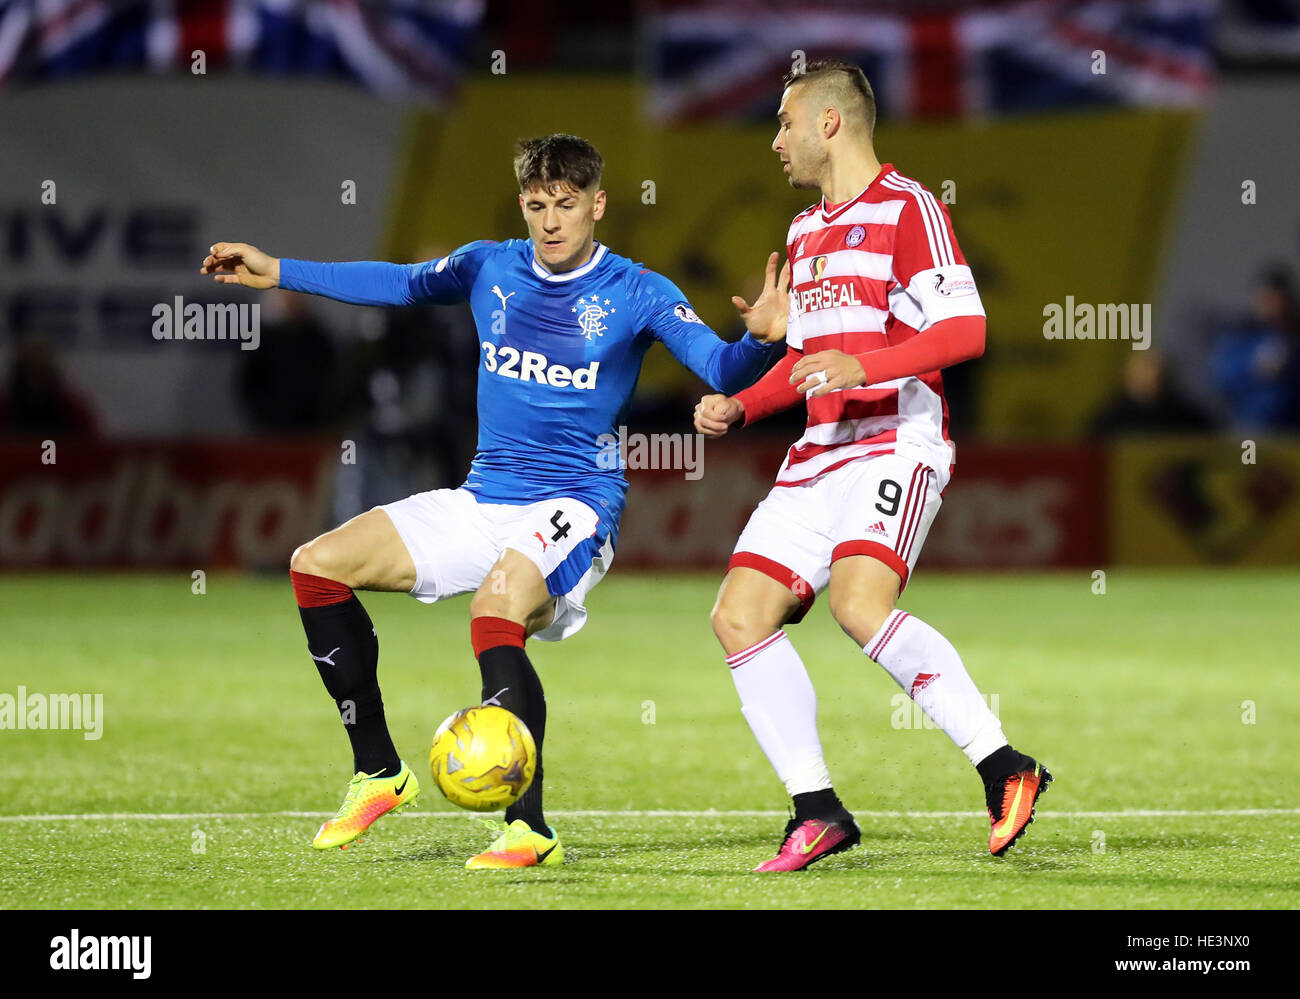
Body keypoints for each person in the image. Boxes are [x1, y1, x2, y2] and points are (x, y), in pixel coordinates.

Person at [201, 134, 782, 867]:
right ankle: (380, 769)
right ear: (522, 205)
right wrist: (280, 270)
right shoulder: (488, 265)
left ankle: (527, 826)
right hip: (484, 497)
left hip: (576, 504)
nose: (550, 221)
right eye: (537, 205)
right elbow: (395, 281)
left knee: (496, 606)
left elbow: (720, 366)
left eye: (566, 205)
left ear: (597, 205)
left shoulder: (638, 290)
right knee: (316, 564)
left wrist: (759, 342)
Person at [695, 60, 1051, 872]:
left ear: (829, 123)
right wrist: (742, 405)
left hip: (896, 439)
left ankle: (1006, 767)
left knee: (859, 604)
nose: (775, 141)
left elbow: (966, 332)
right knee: (737, 617)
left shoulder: (908, 207)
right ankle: (817, 810)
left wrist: (869, 363)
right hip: (816, 453)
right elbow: (807, 365)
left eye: (784, 123)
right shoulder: (802, 233)